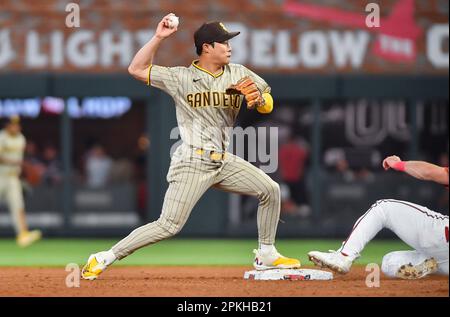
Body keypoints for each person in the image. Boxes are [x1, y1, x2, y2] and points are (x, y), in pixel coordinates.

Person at [81, 14, 300, 280]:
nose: (229, 47)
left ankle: (266, 254)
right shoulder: (181, 77)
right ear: (207, 47)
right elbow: (136, 69)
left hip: (222, 161)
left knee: (270, 189)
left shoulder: (239, 72)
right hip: (192, 161)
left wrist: (258, 101)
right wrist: (159, 37)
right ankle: (105, 256)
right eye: (224, 42)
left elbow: (267, 102)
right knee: (168, 225)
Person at [308, 155, 449, 279]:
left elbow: (430, 172)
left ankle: (344, 256)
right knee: (389, 263)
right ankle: (429, 266)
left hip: (442, 237)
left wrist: (399, 164)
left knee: (383, 208)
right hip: (445, 261)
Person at [0, 116, 41, 247]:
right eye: (13, 124)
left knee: (18, 206)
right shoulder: (2, 137)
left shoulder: (21, 138)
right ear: (7, 126)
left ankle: (23, 235)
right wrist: (17, 162)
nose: (16, 127)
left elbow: (20, 160)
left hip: (13, 177)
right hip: (1, 176)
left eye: (17, 124)